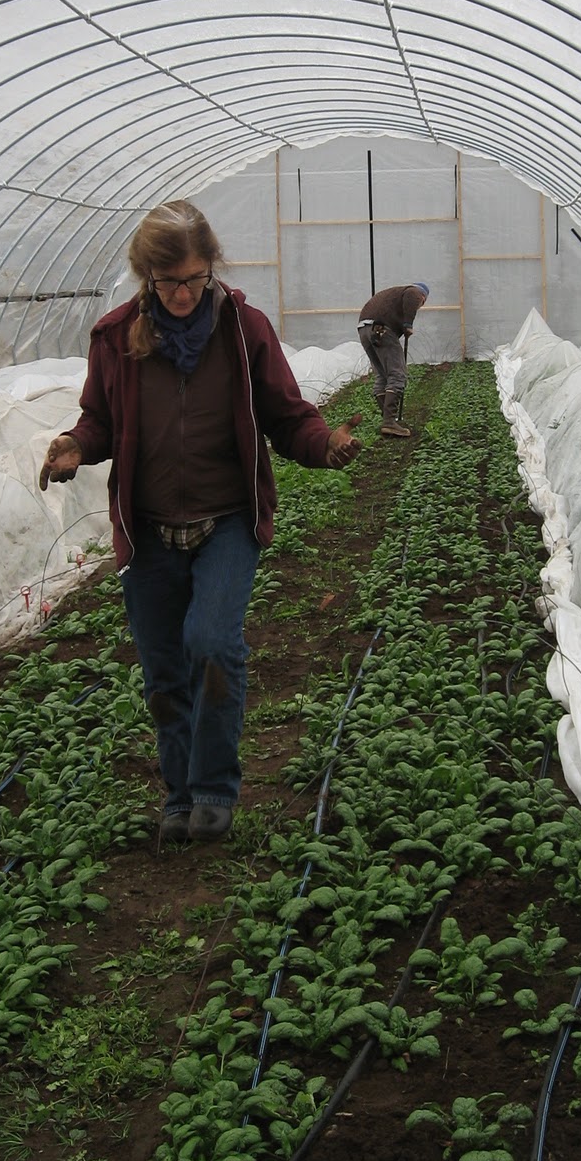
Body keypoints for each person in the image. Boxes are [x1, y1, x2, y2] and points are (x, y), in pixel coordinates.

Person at [38, 201, 362, 848]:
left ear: (210, 269)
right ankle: (179, 793)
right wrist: (76, 445)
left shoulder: (244, 332)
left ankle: (214, 786)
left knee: (211, 644)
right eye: (168, 283)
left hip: (226, 522)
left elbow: (286, 413)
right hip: (149, 528)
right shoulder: (116, 339)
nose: (183, 294)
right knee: (163, 671)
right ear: (146, 279)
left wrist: (323, 444)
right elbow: (100, 419)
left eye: (193, 279)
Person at [356, 281, 429, 439]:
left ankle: (388, 419)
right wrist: (408, 325)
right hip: (380, 328)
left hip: (364, 329)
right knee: (397, 374)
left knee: (383, 375)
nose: (419, 305)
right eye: (422, 303)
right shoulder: (415, 291)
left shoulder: (392, 294)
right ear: (423, 298)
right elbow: (413, 296)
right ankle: (389, 422)